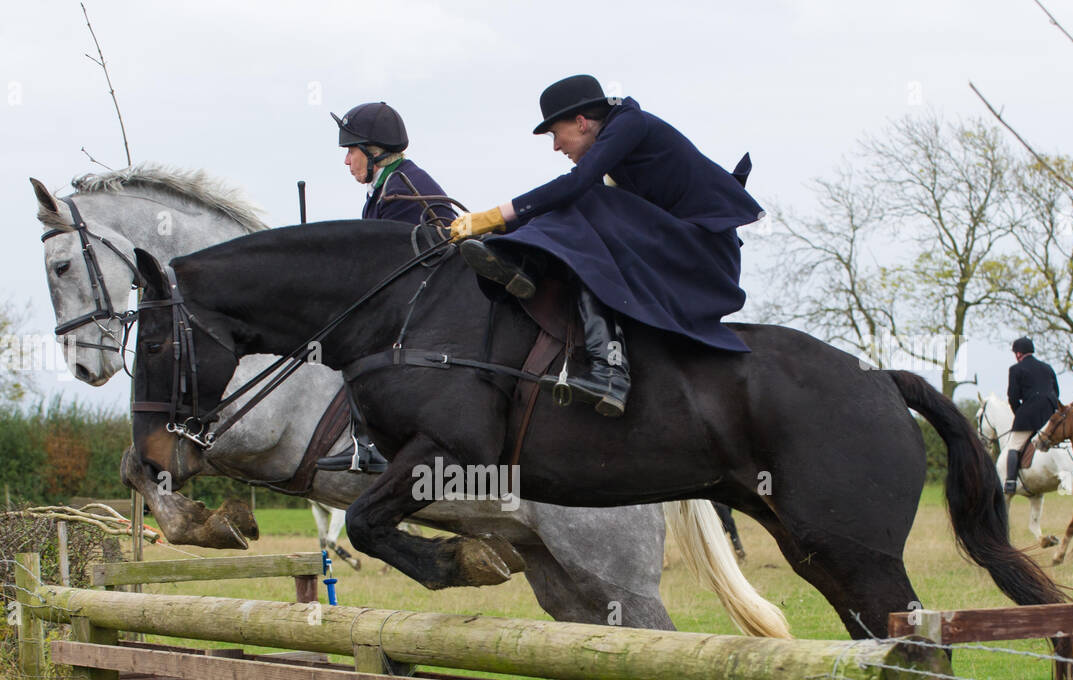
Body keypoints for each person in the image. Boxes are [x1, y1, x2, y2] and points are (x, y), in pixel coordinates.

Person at [448, 75, 764, 417]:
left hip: (705, 256)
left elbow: (575, 187)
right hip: (680, 250)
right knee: (585, 229)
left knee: (586, 200)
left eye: (555, 134)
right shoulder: (617, 146)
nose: (556, 147)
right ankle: (609, 371)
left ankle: (525, 264)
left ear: (581, 122)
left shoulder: (631, 123)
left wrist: (495, 217)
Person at [318, 102, 454, 473]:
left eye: (351, 151)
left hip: (430, 310)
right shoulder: (389, 186)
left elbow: (388, 268)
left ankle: (371, 445)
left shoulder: (402, 191)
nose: (347, 161)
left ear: (373, 151)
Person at [1003, 337, 1060, 495]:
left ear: (1018, 353)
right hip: (1050, 413)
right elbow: (1056, 392)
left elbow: (1013, 397)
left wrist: (1020, 413)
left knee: (1014, 445)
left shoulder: (1016, 369)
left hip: (1029, 415)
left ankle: (1010, 482)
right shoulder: (1047, 367)